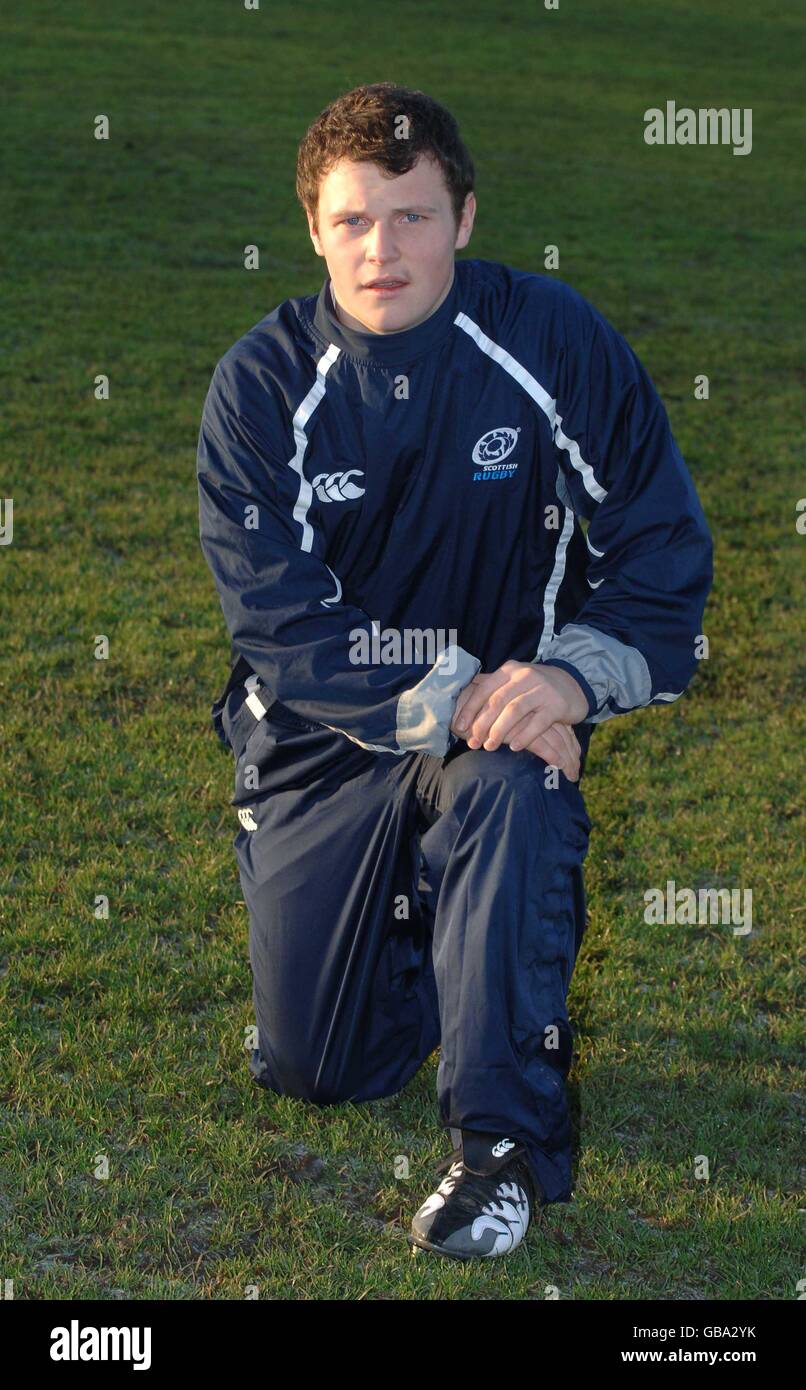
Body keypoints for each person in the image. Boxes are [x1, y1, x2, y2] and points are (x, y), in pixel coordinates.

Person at [195, 82, 713, 1261]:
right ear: (313, 229)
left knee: (513, 795)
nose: (385, 249)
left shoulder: (548, 340)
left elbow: (660, 544)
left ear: (465, 218)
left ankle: (500, 1149)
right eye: (355, 220)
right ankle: (454, 950)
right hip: (320, 749)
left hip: (500, 744)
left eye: (414, 216)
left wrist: (570, 679)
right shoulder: (262, 388)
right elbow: (283, 627)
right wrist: (448, 692)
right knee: (317, 1067)